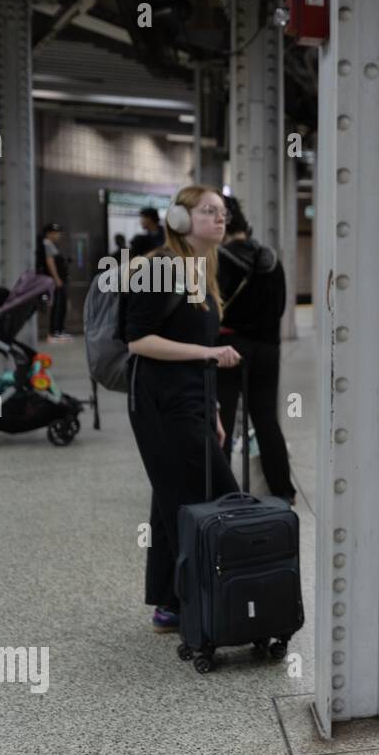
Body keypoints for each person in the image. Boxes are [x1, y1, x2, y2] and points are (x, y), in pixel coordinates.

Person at [123, 184, 241, 633]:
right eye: (209, 211)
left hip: (191, 395)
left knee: (170, 494)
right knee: (211, 493)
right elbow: (139, 340)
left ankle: (170, 602)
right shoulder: (161, 268)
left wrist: (212, 409)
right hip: (158, 399)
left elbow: (202, 342)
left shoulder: (202, 268)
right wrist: (207, 358)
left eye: (223, 212)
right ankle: (202, 596)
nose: (220, 219)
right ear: (178, 219)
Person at [214, 194, 296, 505]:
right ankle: (283, 491)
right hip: (267, 349)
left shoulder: (220, 259)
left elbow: (212, 308)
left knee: (221, 416)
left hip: (229, 347)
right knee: (265, 418)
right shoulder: (270, 258)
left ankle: (220, 490)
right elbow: (279, 306)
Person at [35, 223, 71, 343]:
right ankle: (53, 332)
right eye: (56, 232)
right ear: (49, 233)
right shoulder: (46, 244)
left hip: (58, 280)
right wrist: (56, 278)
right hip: (55, 281)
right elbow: (50, 262)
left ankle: (59, 331)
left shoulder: (50, 245)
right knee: (57, 306)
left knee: (61, 305)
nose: (58, 235)